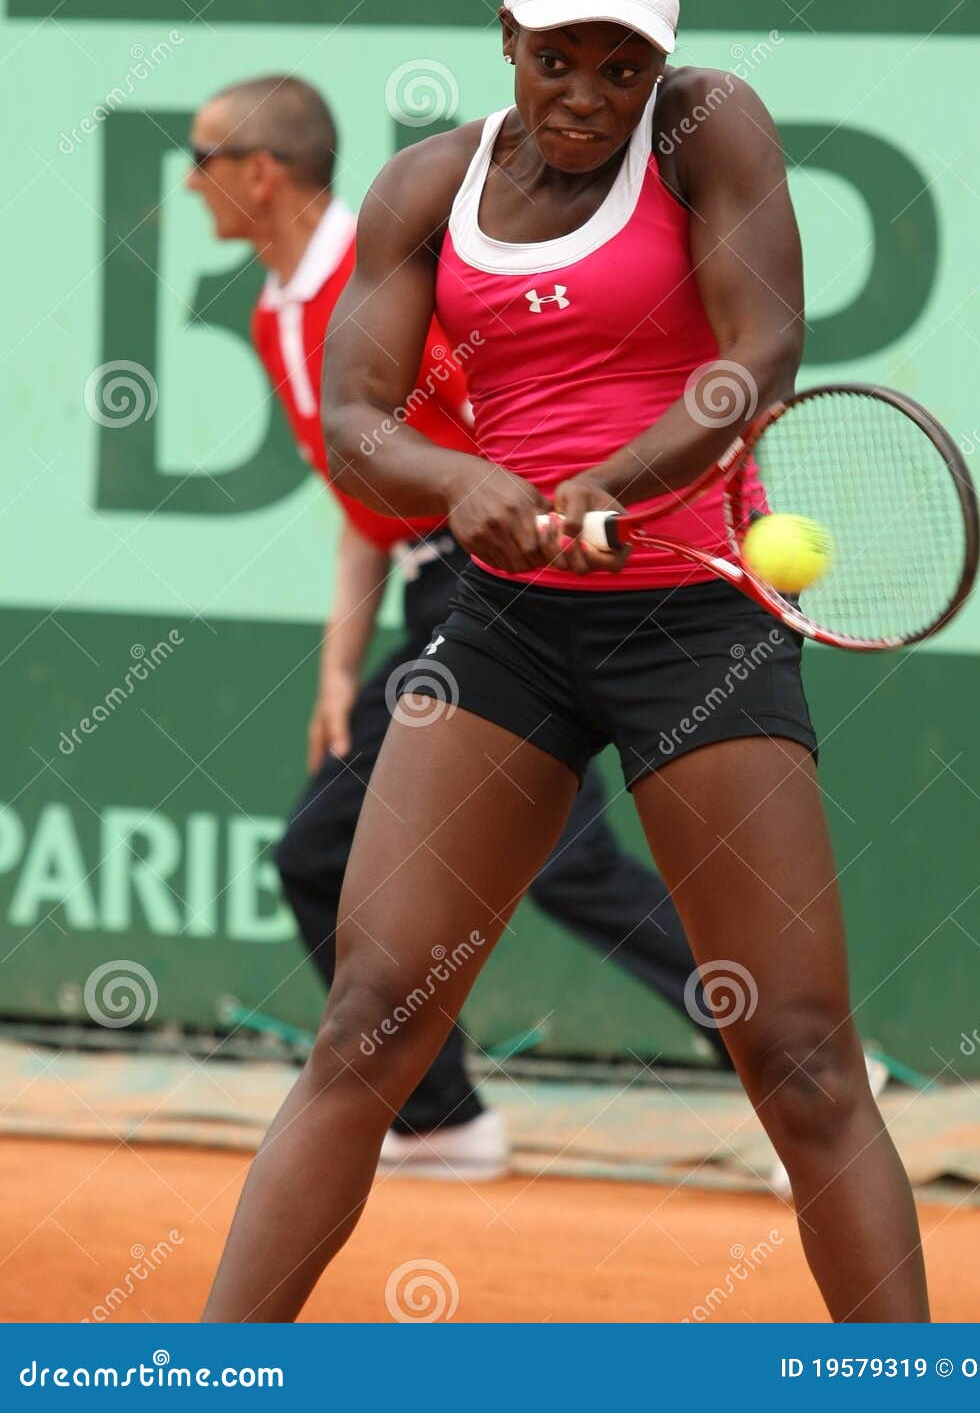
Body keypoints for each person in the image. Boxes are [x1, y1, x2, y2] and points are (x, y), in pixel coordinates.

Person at [202, 0, 927, 1324]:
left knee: (792, 1051)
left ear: (660, 58)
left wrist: (614, 478)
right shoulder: (426, 185)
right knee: (369, 1018)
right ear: (505, 38)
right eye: (556, 60)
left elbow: (756, 355)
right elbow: (358, 413)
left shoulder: (709, 125)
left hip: (696, 631)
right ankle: (210, 1365)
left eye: (621, 63)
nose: (586, 91)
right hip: (503, 631)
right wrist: (464, 484)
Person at [185, 74, 729, 1181]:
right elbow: (365, 503)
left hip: (508, 583)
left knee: (529, 860)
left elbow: (512, 413)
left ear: (259, 174)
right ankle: (440, 1112)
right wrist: (338, 671)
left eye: (200, 159)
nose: (188, 183)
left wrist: (562, 514)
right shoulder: (272, 310)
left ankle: (777, 1049)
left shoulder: (384, 263)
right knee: (372, 851)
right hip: (446, 589)